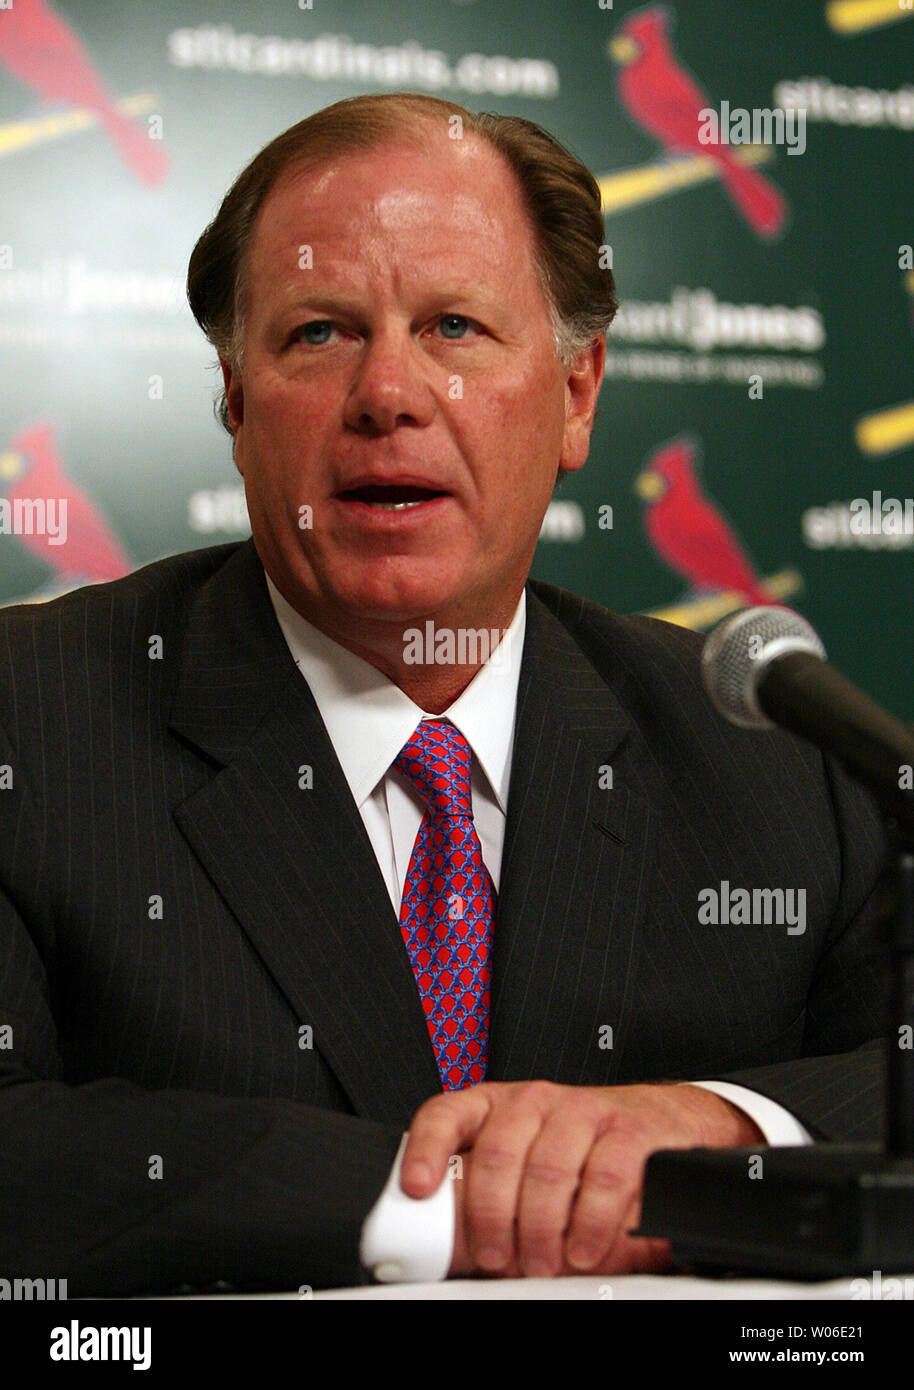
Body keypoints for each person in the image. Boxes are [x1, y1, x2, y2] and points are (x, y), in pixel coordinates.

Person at [0, 92, 887, 1295]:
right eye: (318, 333)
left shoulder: (769, 752)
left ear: (576, 393)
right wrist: (449, 1205)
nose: (387, 395)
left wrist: (721, 1134)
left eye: (455, 327)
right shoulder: (31, 718)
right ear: (233, 397)